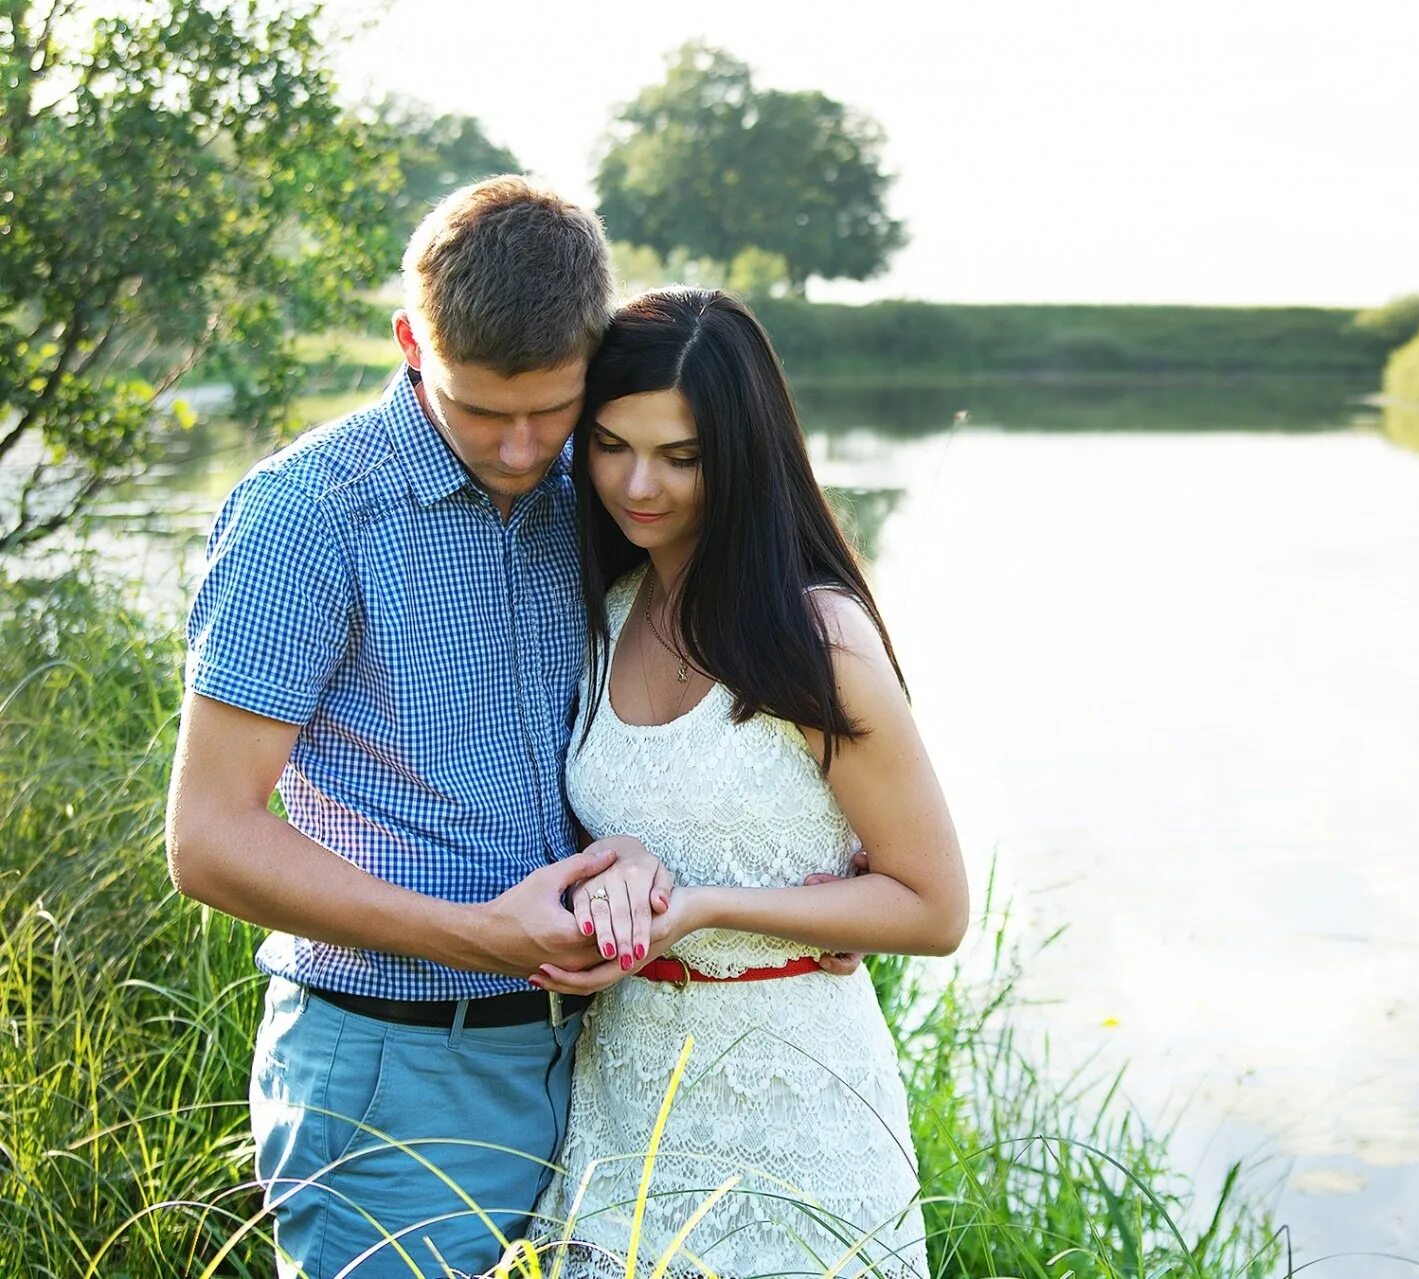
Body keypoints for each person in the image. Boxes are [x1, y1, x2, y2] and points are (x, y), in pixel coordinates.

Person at [164, 177, 688, 1277]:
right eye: (481, 409)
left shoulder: (591, 488)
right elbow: (207, 838)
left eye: (551, 407)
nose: (518, 445)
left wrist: (633, 851)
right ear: (410, 342)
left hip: (600, 1065)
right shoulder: (306, 518)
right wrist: (476, 937)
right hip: (390, 1075)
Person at [521, 289, 969, 1277]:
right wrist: (621, 867)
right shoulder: (606, 606)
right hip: (624, 1099)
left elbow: (936, 906)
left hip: (798, 1103)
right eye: (610, 444)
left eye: (683, 456)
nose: (640, 484)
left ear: (744, 452)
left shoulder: (818, 638)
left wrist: (704, 906)